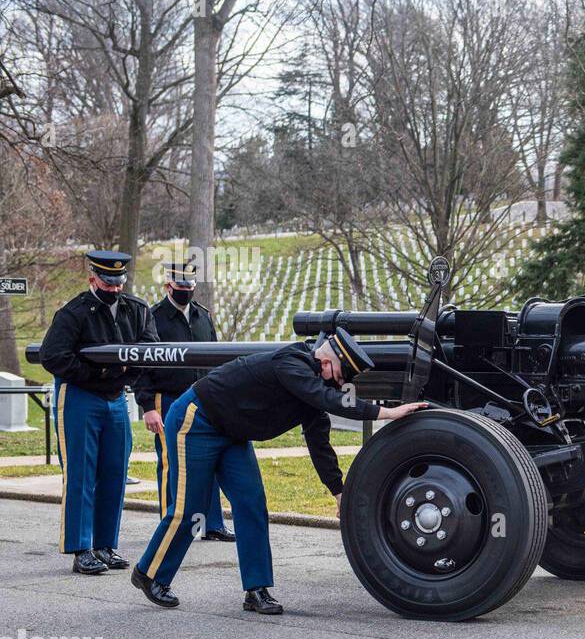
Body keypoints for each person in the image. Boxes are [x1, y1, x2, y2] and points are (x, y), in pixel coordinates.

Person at [131, 328, 428, 614]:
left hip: (232, 431)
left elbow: (320, 446)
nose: (338, 386)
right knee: (188, 508)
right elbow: (327, 398)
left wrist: (338, 492)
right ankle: (150, 573)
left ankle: (256, 589)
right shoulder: (292, 362)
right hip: (196, 421)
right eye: (338, 377)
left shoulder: (312, 392)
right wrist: (384, 413)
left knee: (252, 505)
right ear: (326, 362)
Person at [39, 250, 158, 575]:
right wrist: (101, 374)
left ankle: (105, 544)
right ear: (93, 279)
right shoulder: (74, 312)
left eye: (119, 283)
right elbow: (54, 356)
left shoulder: (137, 309)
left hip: (116, 398)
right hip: (80, 396)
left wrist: (122, 378)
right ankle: (81, 548)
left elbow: (148, 351)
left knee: (115, 472)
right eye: (108, 283)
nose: (115, 289)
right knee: (80, 474)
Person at [135, 263, 235, 541]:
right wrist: (148, 407)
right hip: (167, 398)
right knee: (170, 463)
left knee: (210, 457)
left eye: (190, 289)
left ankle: (212, 523)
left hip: (203, 398)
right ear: (168, 287)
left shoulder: (203, 316)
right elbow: (142, 365)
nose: (186, 293)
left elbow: (214, 359)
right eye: (181, 288)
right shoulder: (153, 318)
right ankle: (173, 522)